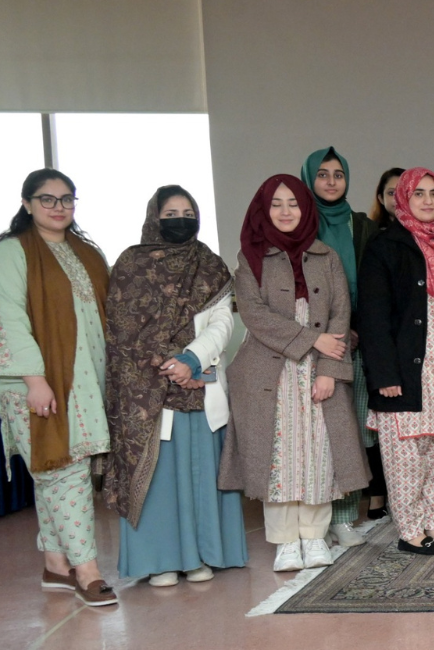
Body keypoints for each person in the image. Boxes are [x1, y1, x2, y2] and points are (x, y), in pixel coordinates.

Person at [220, 175, 368, 572]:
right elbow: (254, 315)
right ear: (263, 210)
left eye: (294, 204)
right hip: (271, 371)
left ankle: (315, 536)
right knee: (279, 456)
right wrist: (312, 341)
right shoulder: (249, 258)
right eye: (276, 204)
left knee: (319, 453)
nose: (286, 212)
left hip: (320, 368)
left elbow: (340, 314)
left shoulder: (327, 257)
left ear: (306, 209)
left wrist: (329, 371)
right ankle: (286, 542)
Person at [0, 169, 117, 606]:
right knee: (65, 472)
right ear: (26, 204)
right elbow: (8, 319)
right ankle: (88, 571)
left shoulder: (86, 253)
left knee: (53, 475)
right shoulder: (9, 253)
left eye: (67, 199)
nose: (58, 207)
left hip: (83, 384)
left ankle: (56, 566)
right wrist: (36, 381)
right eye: (47, 199)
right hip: (36, 385)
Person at [103, 185, 248, 587]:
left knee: (199, 474)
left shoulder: (210, 264)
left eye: (187, 211)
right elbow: (122, 327)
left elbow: (223, 321)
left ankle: (200, 555)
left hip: (198, 389)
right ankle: (160, 561)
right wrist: (172, 365)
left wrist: (192, 360)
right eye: (170, 214)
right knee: (160, 480)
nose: (180, 219)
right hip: (147, 393)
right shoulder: (131, 264)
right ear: (155, 218)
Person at [358, 167, 434, 555]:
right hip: (408, 370)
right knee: (407, 455)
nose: (428, 200)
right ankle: (411, 531)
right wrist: (384, 374)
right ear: (403, 199)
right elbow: (373, 317)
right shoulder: (384, 246)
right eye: (418, 193)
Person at [301, 146, 379, 547]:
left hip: (358, 341)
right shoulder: (299, 225)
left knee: (353, 432)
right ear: (309, 178)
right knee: (317, 433)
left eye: (338, 174)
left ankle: (345, 516)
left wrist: (356, 328)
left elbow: (372, 284)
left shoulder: (362, 225)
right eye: (323, 174)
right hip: (312, 344)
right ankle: (316, 518)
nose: (331, 181)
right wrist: (328, 331)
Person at [361, 166, 405, 519]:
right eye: (392, 192)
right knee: (375, 428)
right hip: (377, 349)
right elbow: (375, 310)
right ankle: (378, 493)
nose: (400, 198)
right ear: (381, 197)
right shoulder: (375, 241)